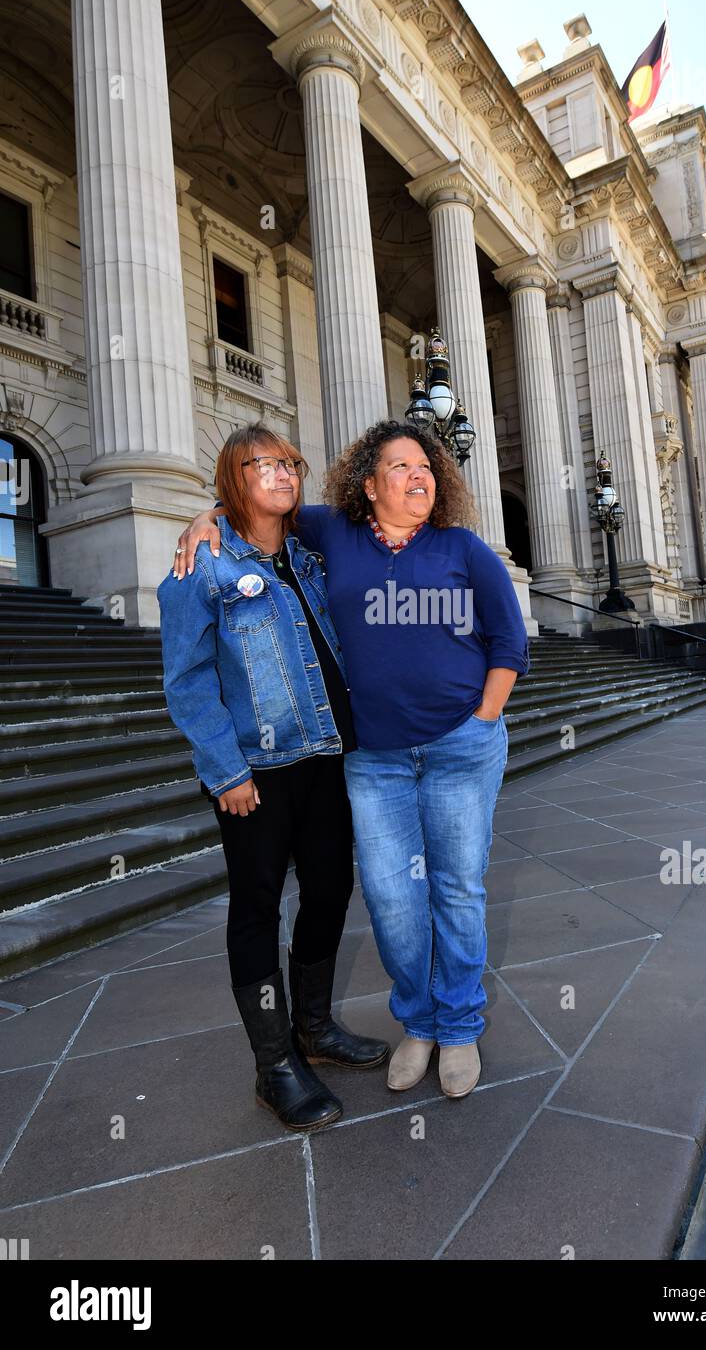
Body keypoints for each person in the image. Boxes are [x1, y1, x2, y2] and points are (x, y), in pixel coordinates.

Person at [172, 420, 529, 1099]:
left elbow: (509, 644)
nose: (418, 475)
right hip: (374, 761)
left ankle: (456, 1027)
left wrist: (482, 721)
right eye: (400, 466)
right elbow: (257, 503)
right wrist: (203, 518)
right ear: (368, 486)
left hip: (459, 748)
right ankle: (416, 1022)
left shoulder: (465, 549)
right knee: (395, 901)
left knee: (455, 889)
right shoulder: (332, 535)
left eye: (426, 466)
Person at [157, 425, 388, 1136]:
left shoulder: (309, 555)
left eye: (292, 462)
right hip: (255, 770)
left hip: (327, 756)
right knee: (257, 907)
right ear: (234, 476)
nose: (285, 472)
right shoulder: (203, 566)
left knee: (328, 889)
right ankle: (275, 1065)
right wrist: (224, 769)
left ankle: (313, 1027)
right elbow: (187, 678)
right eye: (267, 464)